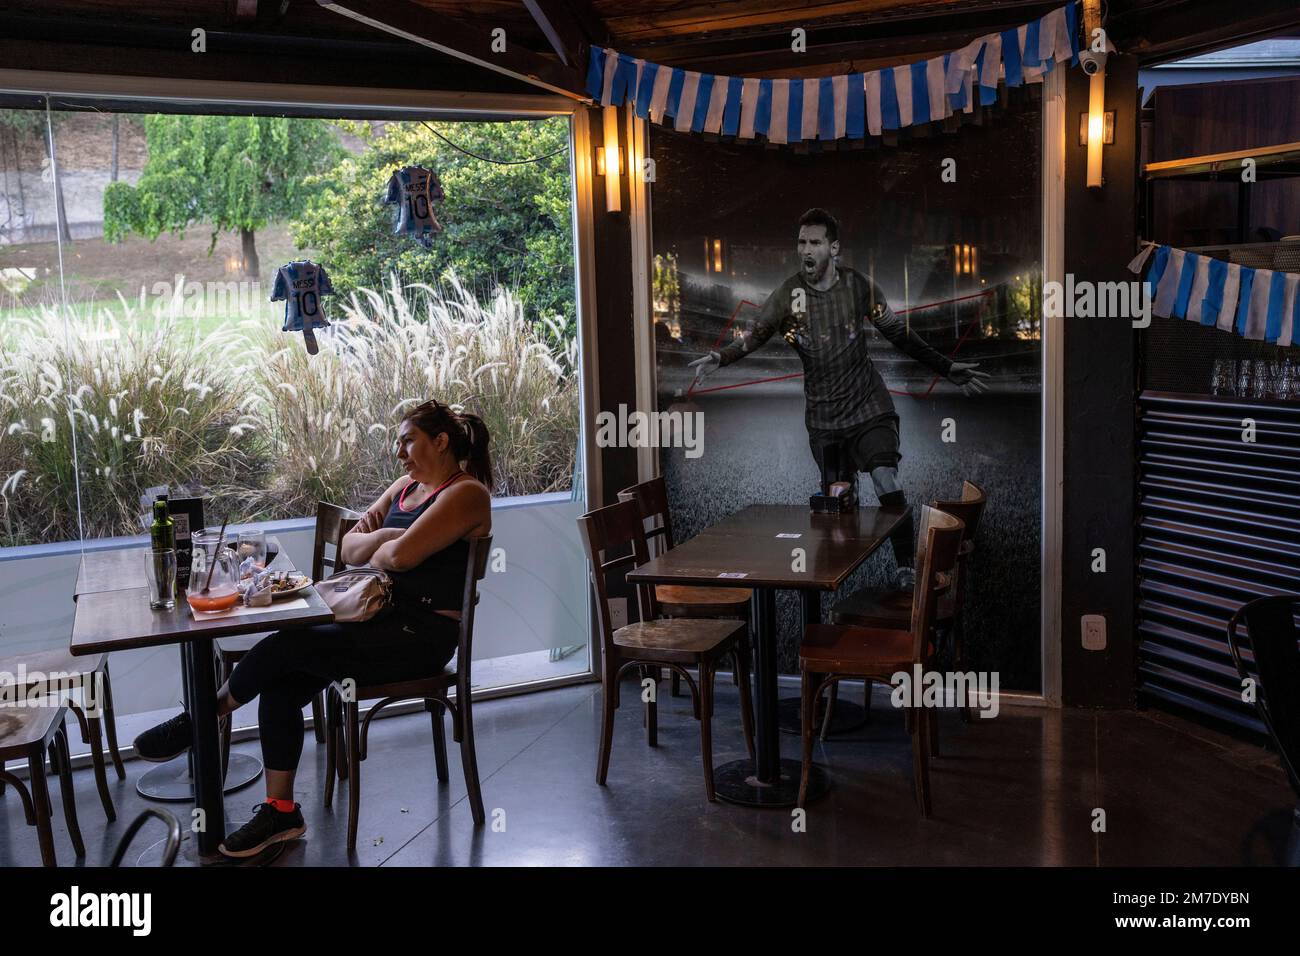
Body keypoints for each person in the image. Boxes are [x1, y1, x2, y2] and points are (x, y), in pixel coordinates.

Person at [132, 400, 493, 858]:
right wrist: (386, 538)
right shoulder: (406, 487)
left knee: (286, 645)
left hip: (418, 638)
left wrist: (386, 547)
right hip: (374, 623)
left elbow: (401, 560)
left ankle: (204, 718)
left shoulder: (466, 494)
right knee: (281, 682)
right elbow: (351, 545)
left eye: (408, 441)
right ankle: (281, 811)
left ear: (441, 442)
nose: (399, 452)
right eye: (398, 442)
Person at [689, 207, 989, 589]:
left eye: (815, 242)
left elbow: (899, 334)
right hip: (824, 419)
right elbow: (755, 335)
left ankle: (904, 568)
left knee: (885, 478)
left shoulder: (858, 287)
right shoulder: (787, 295)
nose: (806, 249)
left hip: (868, 406)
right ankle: (838, 581)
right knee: (837, 496)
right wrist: (721, 357)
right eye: (801, 242)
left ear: (834, 249)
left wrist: (947, 368)